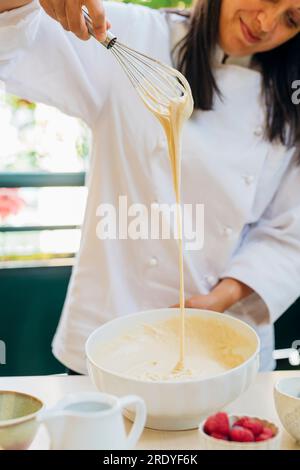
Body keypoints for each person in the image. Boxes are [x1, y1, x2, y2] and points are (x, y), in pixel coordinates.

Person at [0, 0, 299, 373]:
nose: (266, 23)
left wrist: (222, 298)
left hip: (221, 345)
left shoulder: (291, 100)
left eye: (292, 19)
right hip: (109, 333)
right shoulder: (131, 35)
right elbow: (12, 36)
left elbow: (291, 232)